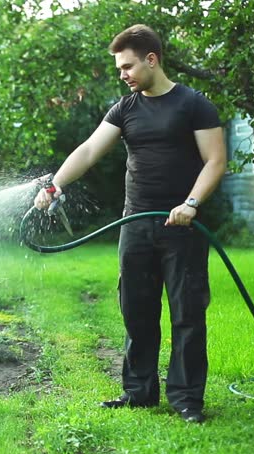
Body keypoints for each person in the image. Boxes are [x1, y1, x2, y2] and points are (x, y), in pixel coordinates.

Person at [33, 24, 227, 423]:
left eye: (128, 66)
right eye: (120, 68)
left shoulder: (194, 104)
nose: (122, 74)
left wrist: (191, 204)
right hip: (135, 224)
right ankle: (139, 393)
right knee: (136, 310)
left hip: (182, 226)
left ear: (151, 60)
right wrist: (55, 185)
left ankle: (187, 399)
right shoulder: (125, 108)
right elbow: (89, 150)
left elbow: (215, 161)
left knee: (187, 314)